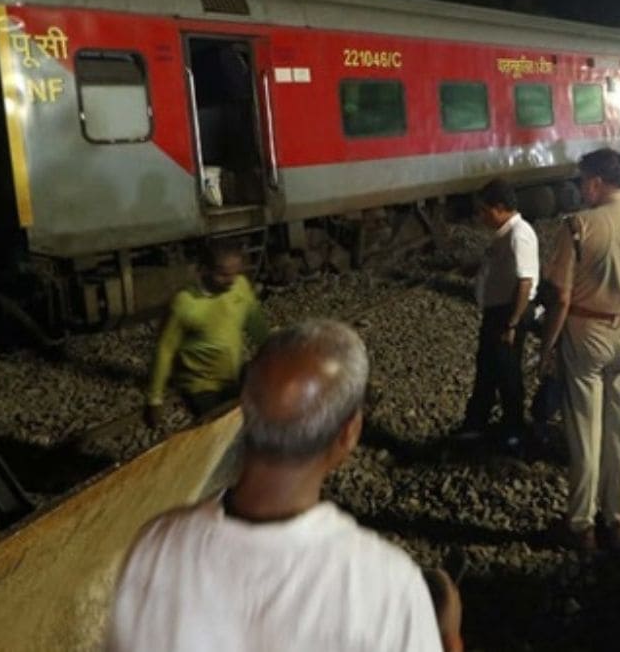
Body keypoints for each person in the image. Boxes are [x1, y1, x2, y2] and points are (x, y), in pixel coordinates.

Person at [109, 320, 454, 652]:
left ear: (245, 410)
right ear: (349, 433)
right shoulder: (388, 586)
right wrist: (446, 637)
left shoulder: (155, 546)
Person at [539, 149, 620, 550]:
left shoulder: (578, 226)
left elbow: (561, 297)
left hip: (588, 331)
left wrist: (547, 347)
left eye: (583, 181)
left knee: (585, 431)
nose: (582, 189)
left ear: (597, 182)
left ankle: (581, 524)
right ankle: (618, 518)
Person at [145, 245, 269, 426]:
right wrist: (154, 398)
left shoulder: (240, 286)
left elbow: (256, 324)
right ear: (204, 270)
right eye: (223, 274)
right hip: (199, 386)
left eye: (235, 273)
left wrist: (275, 351)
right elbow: (165, 350)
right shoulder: (185, 303)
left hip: (231, 378)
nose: (231, 281)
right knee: (220, 429)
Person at [457, 179, 538, 446]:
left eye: (484, 210)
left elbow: (525, 282)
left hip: (509, 313)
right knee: (488, 367)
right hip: (499, 311)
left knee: (507, 372)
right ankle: (477, 421)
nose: (480, 217)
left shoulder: (519, 235)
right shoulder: (505, 233)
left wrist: (512, 323)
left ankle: (514, 428)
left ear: (500, 207)